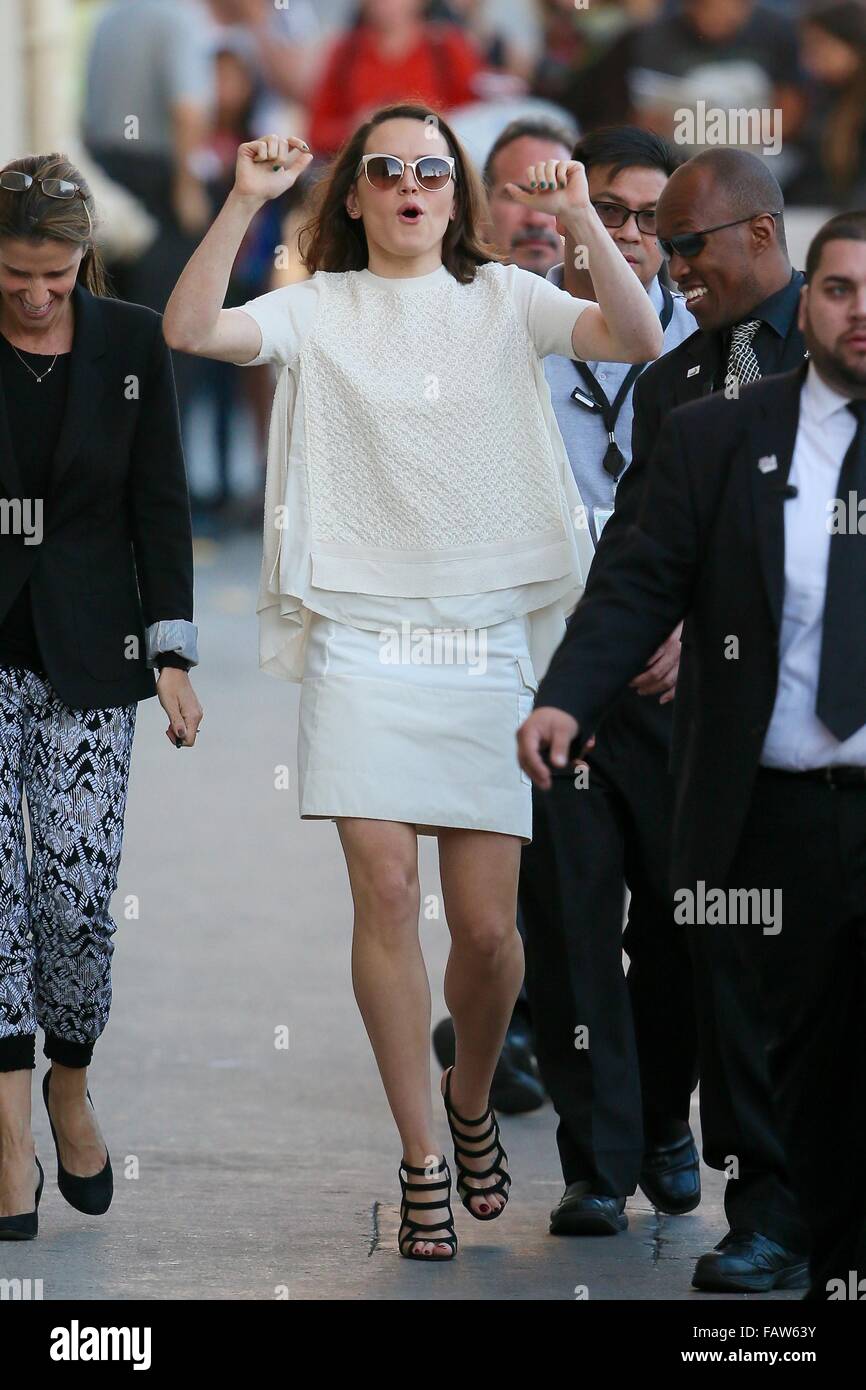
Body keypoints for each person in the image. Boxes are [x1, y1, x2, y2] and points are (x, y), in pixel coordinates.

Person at [162, 104, 662, 1261]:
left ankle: (472, 1094)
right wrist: (245, 199)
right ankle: (422, 1157)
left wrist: (579, 210)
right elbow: (189, 329)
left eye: (428, 171)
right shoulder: (318, 307)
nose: (406, 185)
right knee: (383, 895)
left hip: (485, 632)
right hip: (359, 628)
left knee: (487, 935)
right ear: (353, 194)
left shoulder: (504, 299)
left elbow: (635, 337)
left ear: (455, 196)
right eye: (382, 169)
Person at [518, 208, 866, 1302]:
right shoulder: (720, 434)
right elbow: (635, 579)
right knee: (771, 1024)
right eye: (842, 290)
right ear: (806, 300)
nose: (860, 313)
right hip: (773, 790)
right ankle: (771, 1222)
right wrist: (567, 697)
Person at [0, 155, 202, 1240]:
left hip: (91, 650)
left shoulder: (128, 343)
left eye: (54, 274)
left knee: (75, 902)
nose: (35, 296)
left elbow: (159, 504)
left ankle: (67, 1081)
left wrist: (170, 655)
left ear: (86, 257)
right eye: (14, 274)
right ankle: (8, 1142)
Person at [519, 125, 699, 1238]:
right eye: (612, 214)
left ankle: (666, 1117)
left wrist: (695, 621)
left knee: (684, 928)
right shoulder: (518, 345)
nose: (629, 238)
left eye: (650, 222)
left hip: (684, 685)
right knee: (570, 929)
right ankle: (594, 1162)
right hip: (555, 683)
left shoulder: (729, 356)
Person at [307, 0, 483, 158]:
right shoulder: (345, 52)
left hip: (434, 172)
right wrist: (355, 129)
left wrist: (432, 126)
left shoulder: (446, 47)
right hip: (367, 172)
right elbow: (316, 134)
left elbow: (480, 123)